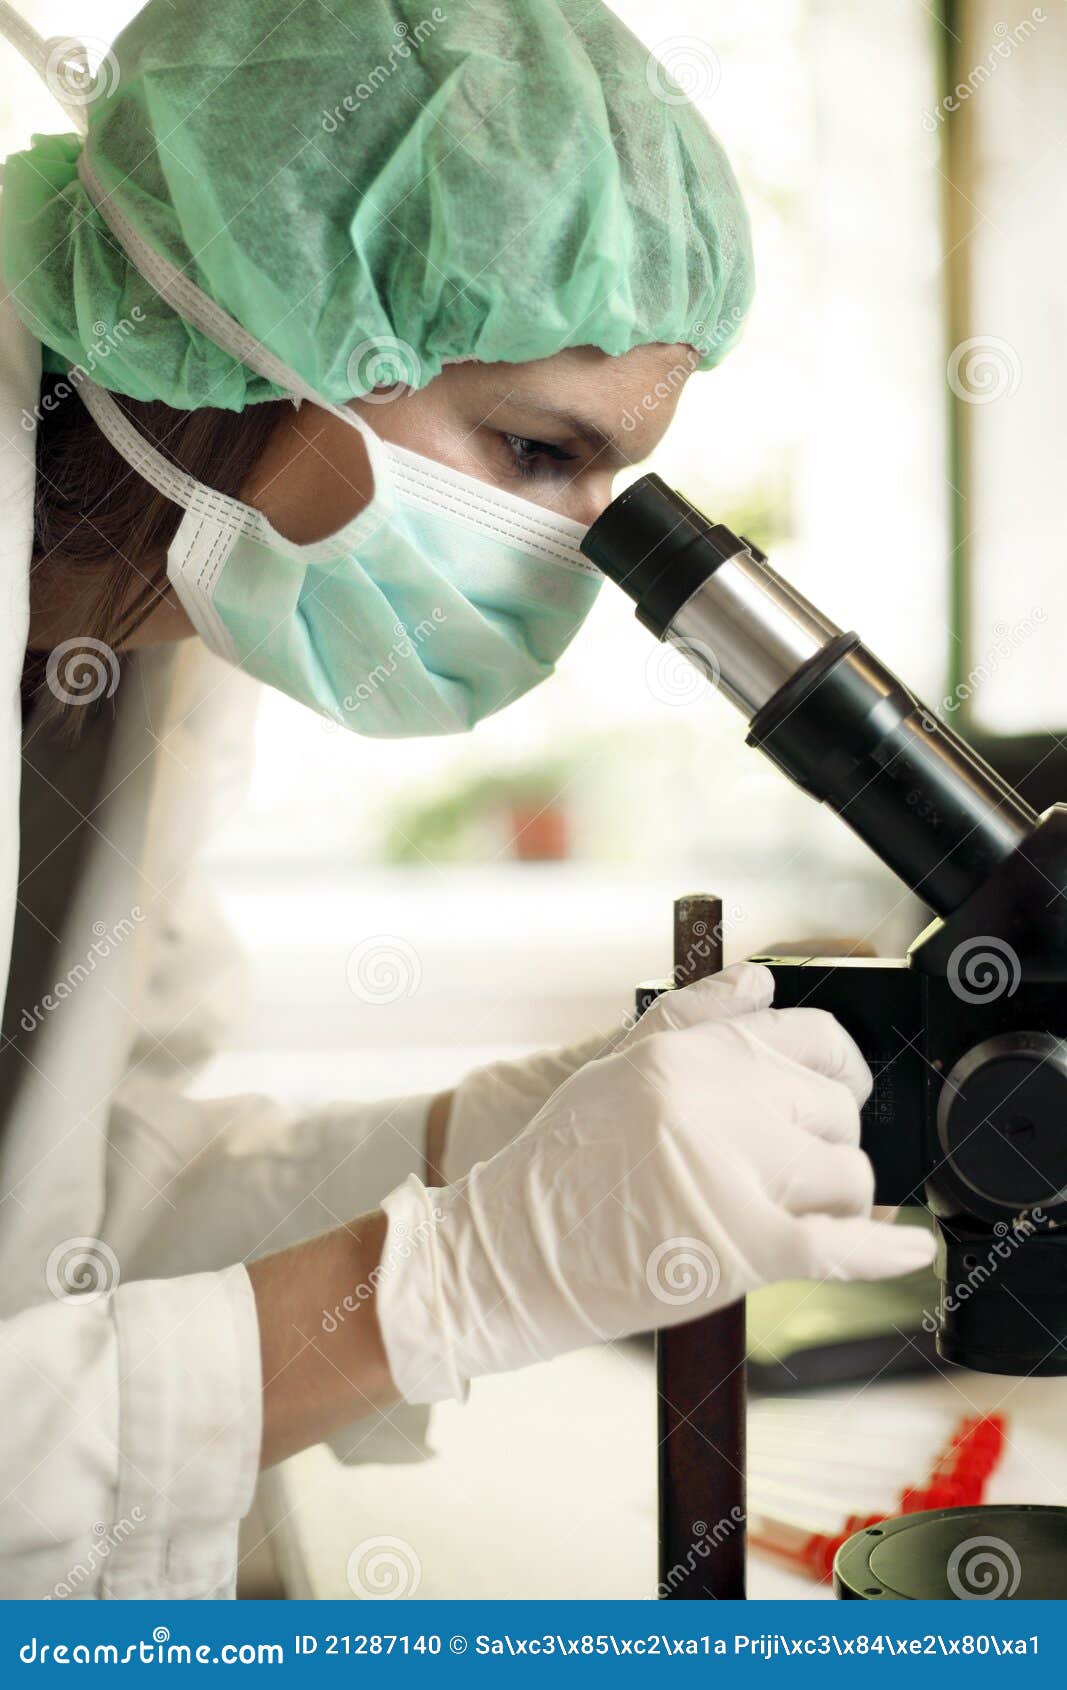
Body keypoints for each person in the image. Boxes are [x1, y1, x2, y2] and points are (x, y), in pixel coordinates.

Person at [0, 0, 934, 1598]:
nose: (585, 552)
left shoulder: (169, 621)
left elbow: (94, 1200)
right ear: (252, 317)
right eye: (533, 448)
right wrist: (440, 1286)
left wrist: (502, 1143)